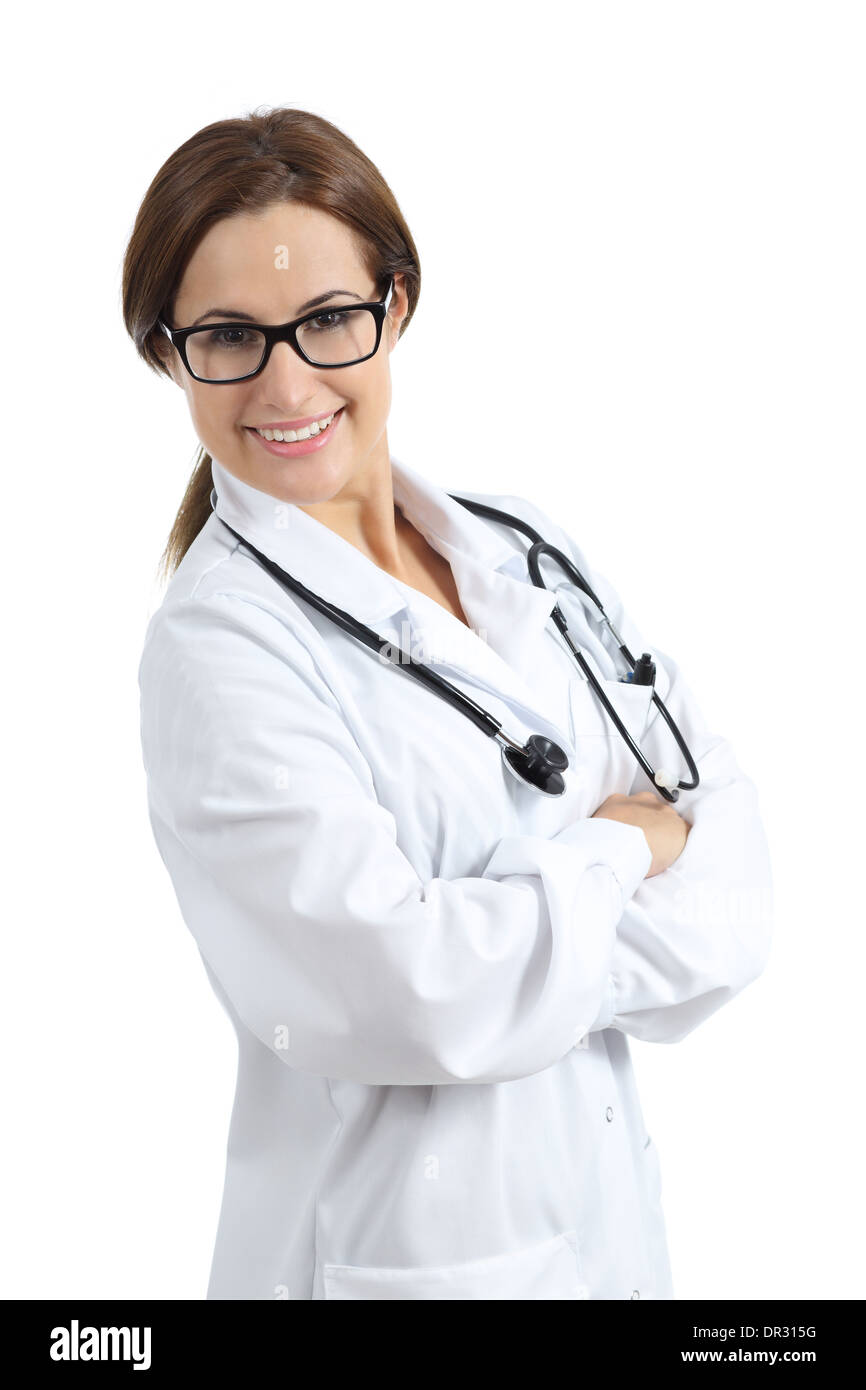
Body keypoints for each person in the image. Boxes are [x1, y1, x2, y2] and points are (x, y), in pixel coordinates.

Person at [125, 106, 773, 1301]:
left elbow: (734, 899)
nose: (285, 380)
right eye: (227, 336)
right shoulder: (219, 650)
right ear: (171, 354)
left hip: (606, 1244)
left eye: (326, 320)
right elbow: (401, 998)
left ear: (397, 302)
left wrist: (508, 956)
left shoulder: (529, 555)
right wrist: (622, 848)